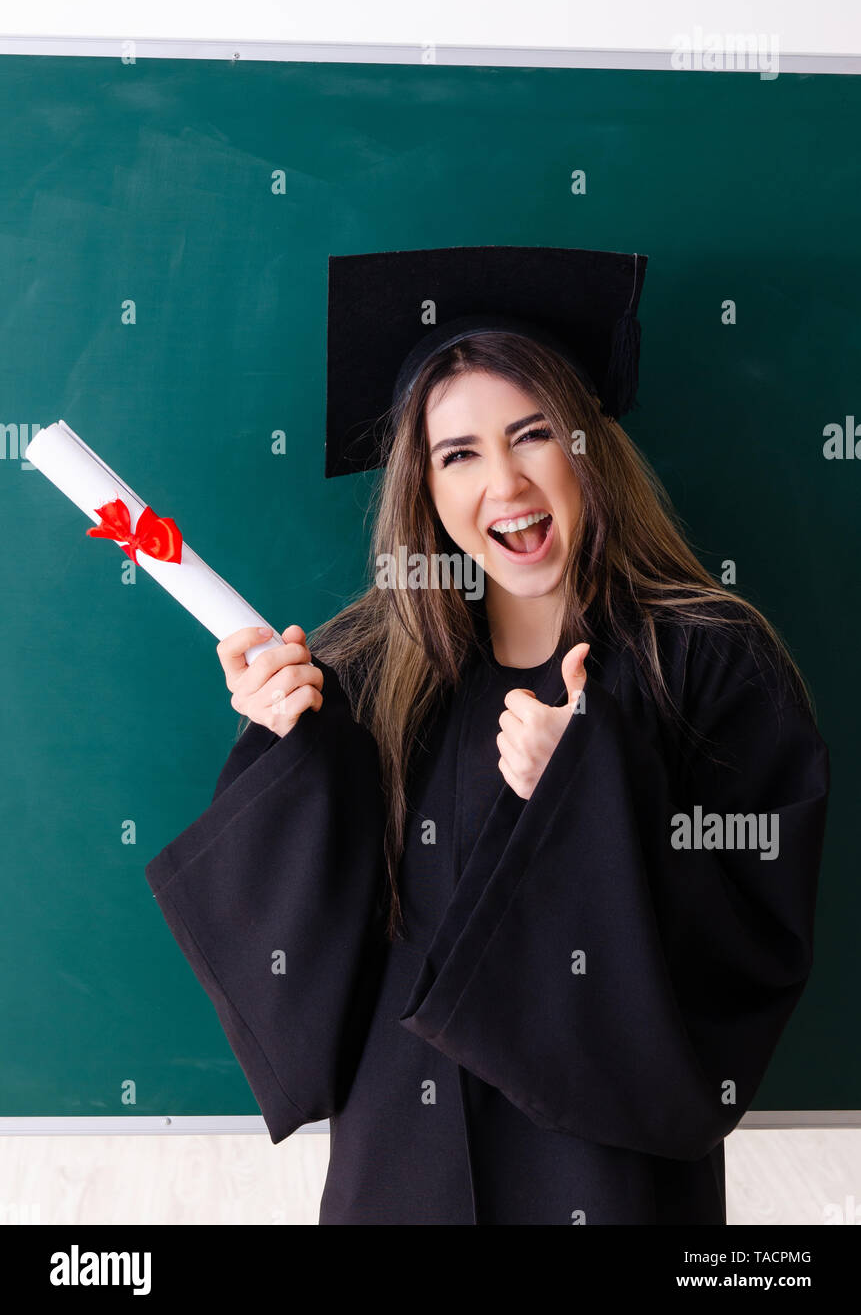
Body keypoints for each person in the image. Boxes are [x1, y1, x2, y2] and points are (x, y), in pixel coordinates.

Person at [145, 245, 830, 1225]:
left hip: (611, 1185)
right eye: (458, 453)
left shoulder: (710, 663)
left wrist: (594, 791)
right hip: (403, 1176)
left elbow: (750, 947)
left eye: (534, 435)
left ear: (589, 449)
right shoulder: (369, 677)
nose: (502, 481)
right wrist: (288, 746)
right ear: (423, 486)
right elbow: (304, 976)